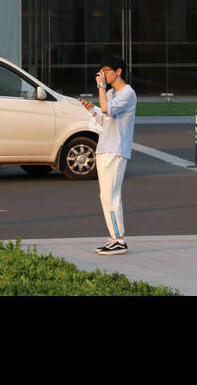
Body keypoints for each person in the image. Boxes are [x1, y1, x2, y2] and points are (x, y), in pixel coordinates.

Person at [80, 53, 137, 255]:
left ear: (118, 71)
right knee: (106, 196)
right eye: (102, 71)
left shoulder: (127, 93)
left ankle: (119, 239)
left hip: (116, 150)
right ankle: (114, 237)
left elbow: (106, 109)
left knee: (111, 196)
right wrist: (91, 110)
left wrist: (101, 88)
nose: (103, 75)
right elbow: (105, 118)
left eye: (106, 71)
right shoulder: (112, 94)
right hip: (105, 147)